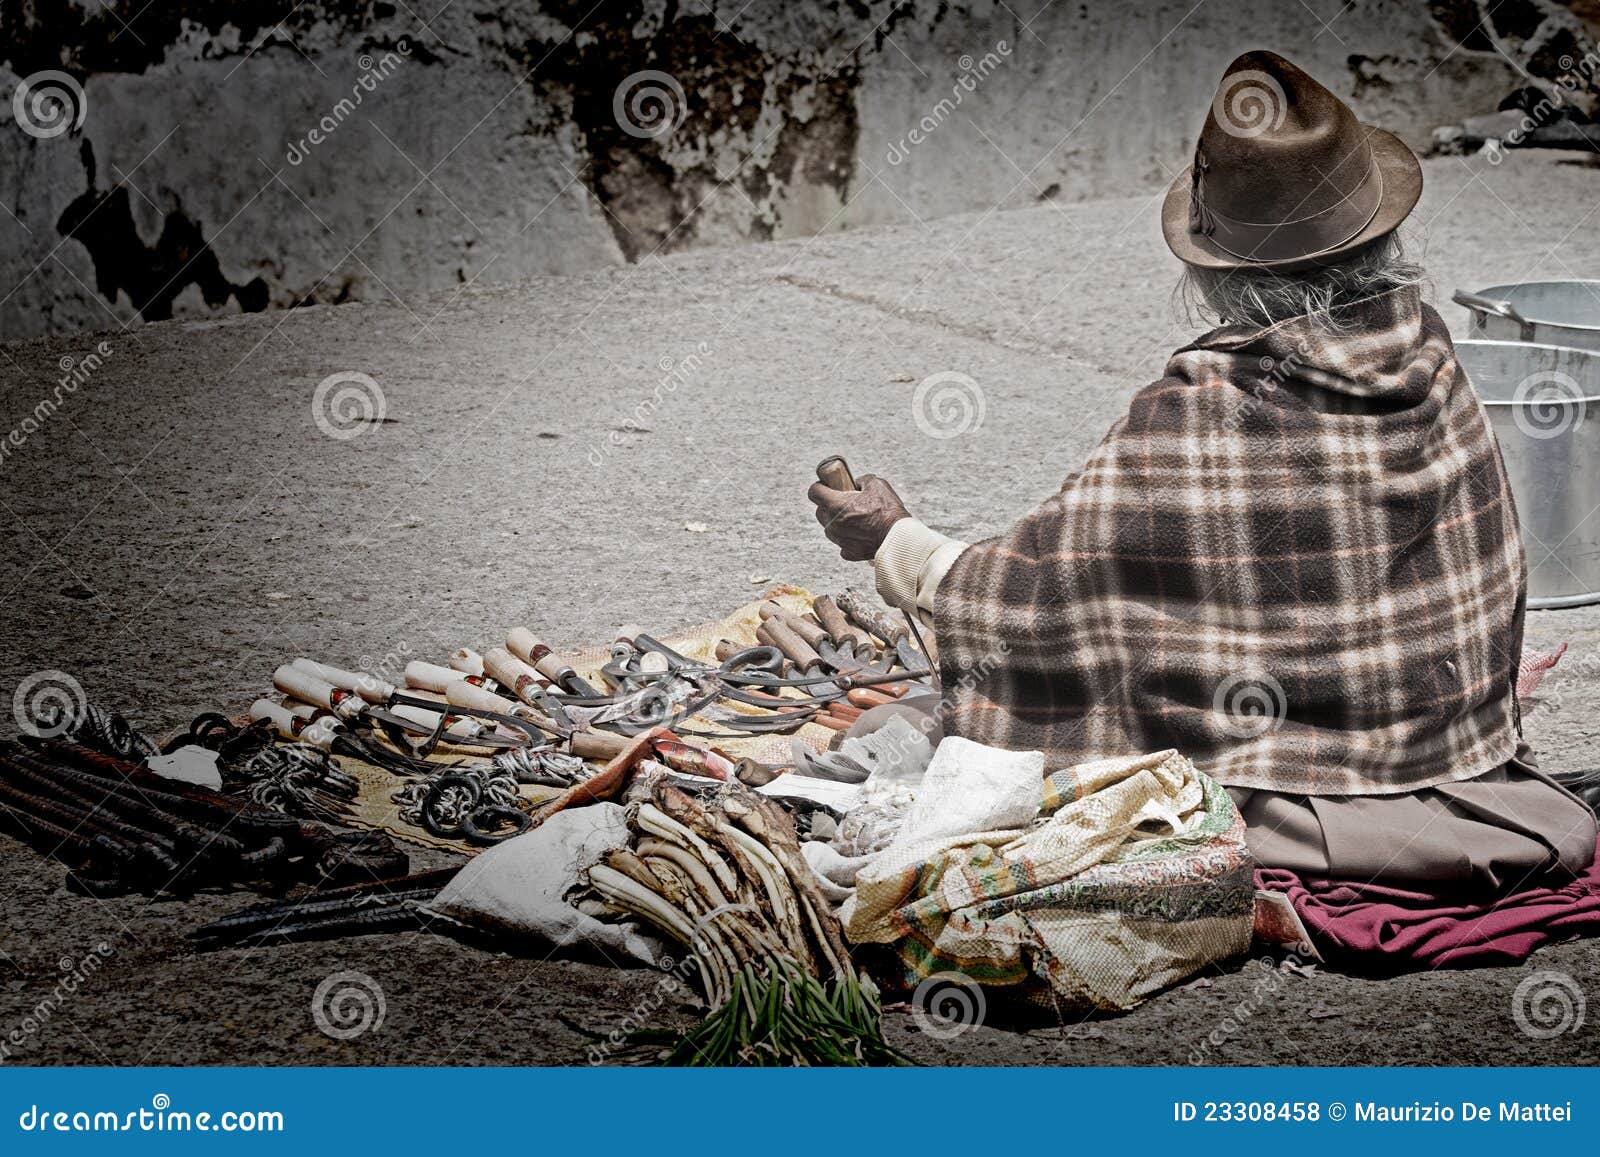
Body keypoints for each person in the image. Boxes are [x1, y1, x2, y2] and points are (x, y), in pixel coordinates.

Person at [807, 49, 1595, 894]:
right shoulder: (1430, 350)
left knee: (983, 721)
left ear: (1220, 272)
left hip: (1325, 784)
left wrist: (899, 543)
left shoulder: (1208, 407)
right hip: (1463, 745)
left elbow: (1046, 589)